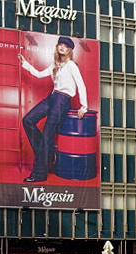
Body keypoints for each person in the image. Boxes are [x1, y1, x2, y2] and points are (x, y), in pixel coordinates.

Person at [19, 36, 90, 184]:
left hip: (62, 100)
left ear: (69, 50)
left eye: (66, 45)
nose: (62, 47)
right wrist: (25, 64)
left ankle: (39, 174)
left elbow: (81, 85)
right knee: (28, 120)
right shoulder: (55, 65)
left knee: (47, 136)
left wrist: (84, 106)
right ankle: (48, 151)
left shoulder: (71, 65)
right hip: (52, 97)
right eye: (60, 45)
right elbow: (39, 75)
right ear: (57, 47)